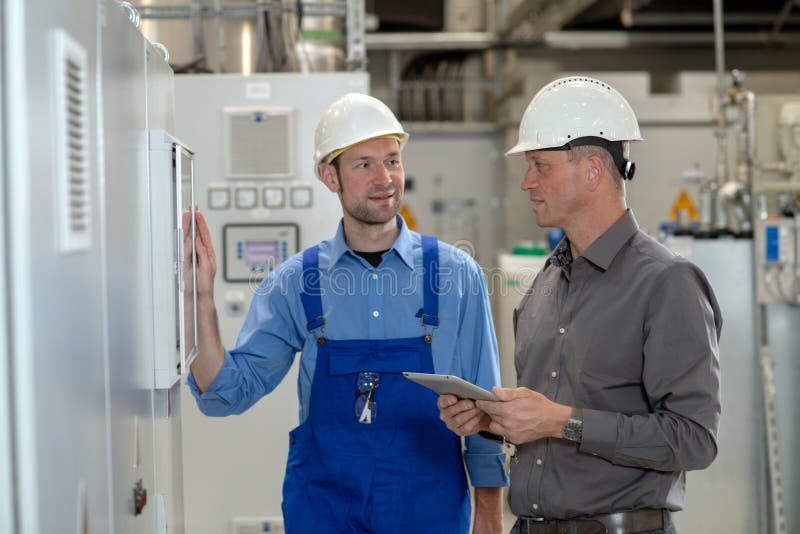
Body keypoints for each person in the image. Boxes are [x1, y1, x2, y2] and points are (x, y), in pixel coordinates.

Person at [187, 93, 509, 533]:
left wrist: (488, 517)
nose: (385, 178)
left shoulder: (456, 275)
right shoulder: (296, 281)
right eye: (364, 164)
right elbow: (226, 394)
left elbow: (486, 412)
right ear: (329, 176)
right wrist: (201, 297)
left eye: (392, 160)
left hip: (426, 510)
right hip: (325, 511)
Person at [438, 76, 722, 534]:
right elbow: (549, 421)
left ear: (592, 170)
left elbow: (694, 440)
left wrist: (562, 423)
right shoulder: (547, 279)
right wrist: (492, 419)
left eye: (540, 166)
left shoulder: (667, 282)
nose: (527, 182)